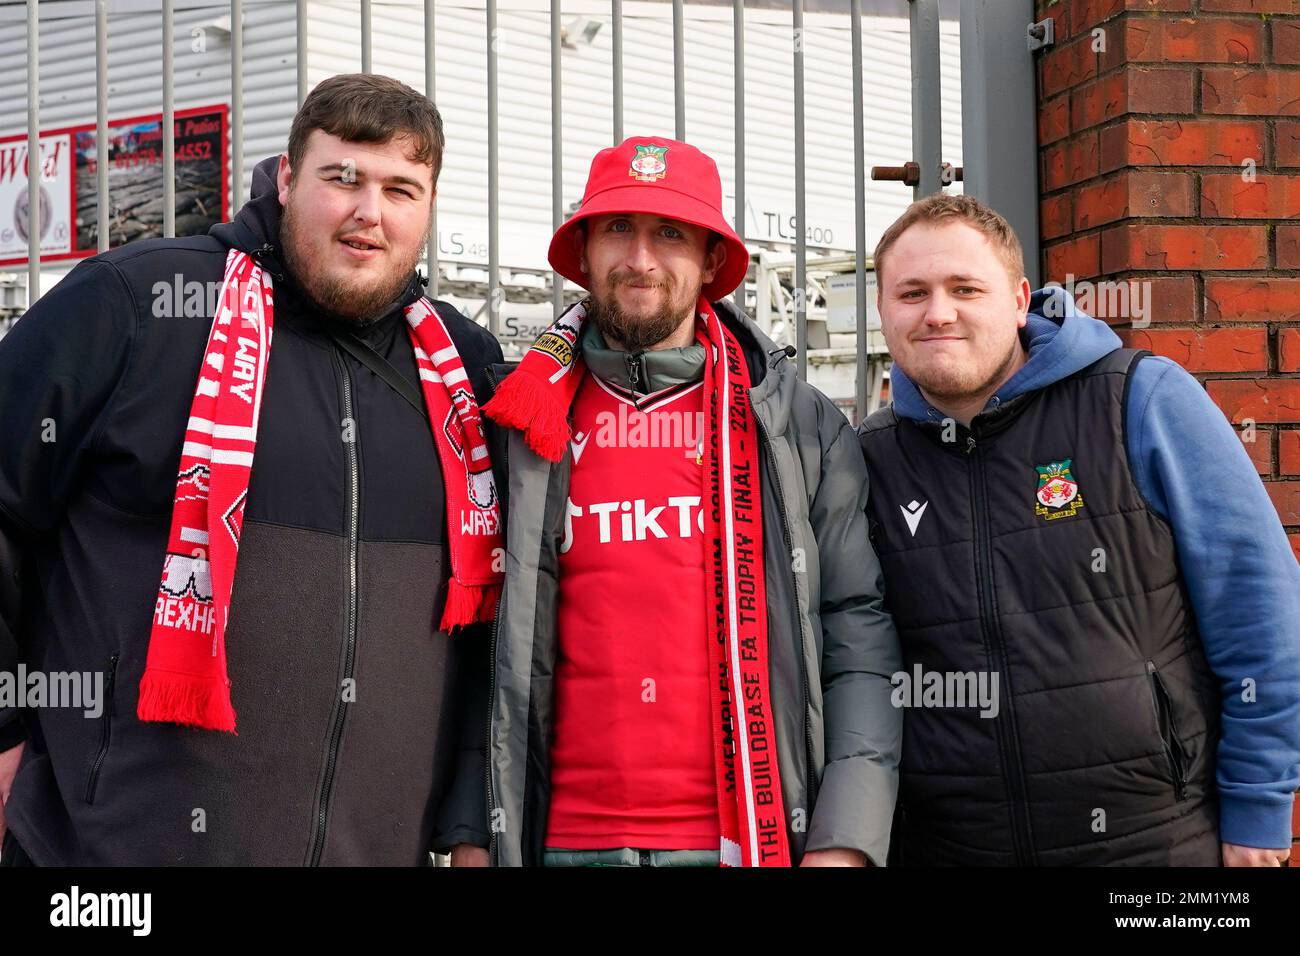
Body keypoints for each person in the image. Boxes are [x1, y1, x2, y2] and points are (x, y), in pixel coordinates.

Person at [0, 73, 500, 866]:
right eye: (343, 178)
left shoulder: (462, 371)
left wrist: (470, 820)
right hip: (111, 861)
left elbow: (486, 630)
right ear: (289, 177)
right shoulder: (136, 303)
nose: (369, 212)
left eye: (401, 188)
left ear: (428, 209)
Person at [470, 136, 902, 868]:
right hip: (556, 842)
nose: (641, 258)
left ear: (710, 261)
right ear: (583, 254)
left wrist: (847, 841)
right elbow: (474, 640)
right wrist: (467, 830)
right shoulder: (516, 417)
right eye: (618, 230)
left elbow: (856, 631)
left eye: (670, 233)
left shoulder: (795, 424)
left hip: (747, 842)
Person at [858, 191, 1300, 866]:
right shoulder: (867, 458)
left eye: (965, 288)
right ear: (883, 311)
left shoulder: (1140, 399)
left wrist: (1259, 806)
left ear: (1017, 299)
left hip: (1157, 843)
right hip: (949, 848)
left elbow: (1259, 606)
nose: (938, 312)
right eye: (911, 293)